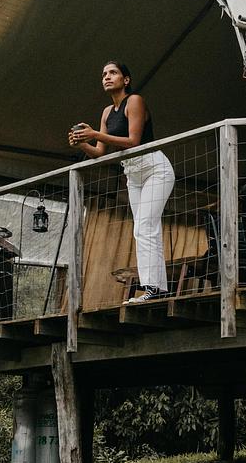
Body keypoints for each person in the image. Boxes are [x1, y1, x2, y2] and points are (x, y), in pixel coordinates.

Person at [68, 60, 174, 302]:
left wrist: (94, 133)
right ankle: (158, 288)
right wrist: (82, 142)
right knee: (143, 229)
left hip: (155, 168)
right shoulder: (107, 112)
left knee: (145, 227)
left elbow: (133, 141)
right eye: (104, 73)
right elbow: (100, 152)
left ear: (126, 80)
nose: (107, 77)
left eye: (113, 73)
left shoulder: (134, 101)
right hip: (132, 173)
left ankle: (153, 289)